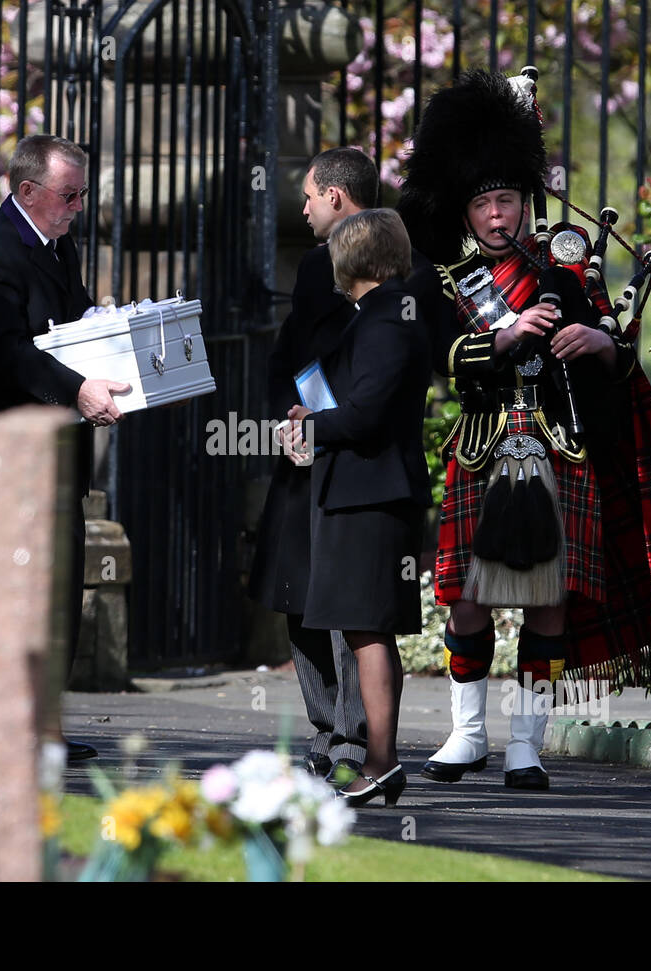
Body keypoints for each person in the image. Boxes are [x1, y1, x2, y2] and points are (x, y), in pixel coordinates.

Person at [397, 68, 651, 789]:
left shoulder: (567, 259)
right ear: (465, 210)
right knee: (466, 594)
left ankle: (525, 745)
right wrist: (501, 341)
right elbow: (433, 357)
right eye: (484, 203)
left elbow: (617, 350)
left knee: (550, 597)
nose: (498, 216)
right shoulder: (445, 275)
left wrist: (599, 344)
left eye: (506, 199)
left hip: (560, 444)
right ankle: (467, 733)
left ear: (524, 197)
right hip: (481, 445)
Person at [0, 134, 130, 764]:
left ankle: (44, 728)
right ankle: (9, 730)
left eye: (82, 193)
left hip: (56, 455)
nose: (79, 205)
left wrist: (119, 343)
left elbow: (74, 324)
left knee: (57, 590)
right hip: (7, 458)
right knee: (16, 596)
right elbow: (6, 352)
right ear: (27, 191)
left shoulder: (60, 245)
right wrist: (79, 390)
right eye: (69, 194)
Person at [282, 208, 434, 807]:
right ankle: (381, 761)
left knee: (369, 627)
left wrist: (313, 424)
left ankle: (382, 760)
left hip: (372, 492)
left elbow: (368, 412)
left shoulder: (388, 318)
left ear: (353, 260)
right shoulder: (381, 314)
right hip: (363, 488)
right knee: (363, 624)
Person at [249, 147, 377, 783]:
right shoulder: (310, 268)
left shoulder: (395, 267)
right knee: (298, 594)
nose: (300, 208)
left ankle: (354, 737)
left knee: (345, 601)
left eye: (308, 196)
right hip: (304, 447)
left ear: (336, 196)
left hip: (356, 454)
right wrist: (286, 417)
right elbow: (290, 353)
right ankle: (326, 730)